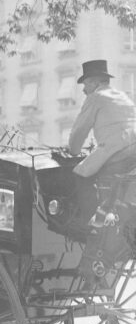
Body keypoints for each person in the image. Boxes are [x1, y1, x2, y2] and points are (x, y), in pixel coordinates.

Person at [68, 60, 136, 235]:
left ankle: (92, 225)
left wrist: (73, 151)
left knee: (80, 174)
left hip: (117, 151)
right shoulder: (122, 96)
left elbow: (79, 131)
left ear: (94, 82)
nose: (84, 90)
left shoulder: (95, 97)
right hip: (132, 150)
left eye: (85, 84)